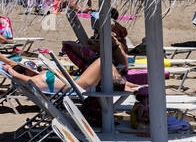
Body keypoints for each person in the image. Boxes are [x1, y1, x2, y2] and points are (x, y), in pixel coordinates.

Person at [0, 52, 137, 95]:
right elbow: (19, 75)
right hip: (79, 85)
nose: (32, 67)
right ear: (25, 72)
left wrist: (10, 64)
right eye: (28, 67)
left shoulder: (38, 75)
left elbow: (17, 68)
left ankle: (132, 86)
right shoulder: (36, 80)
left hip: (80, 82)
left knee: (127, 87)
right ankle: (128, 85)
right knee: (103, 60)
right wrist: (11, 71)